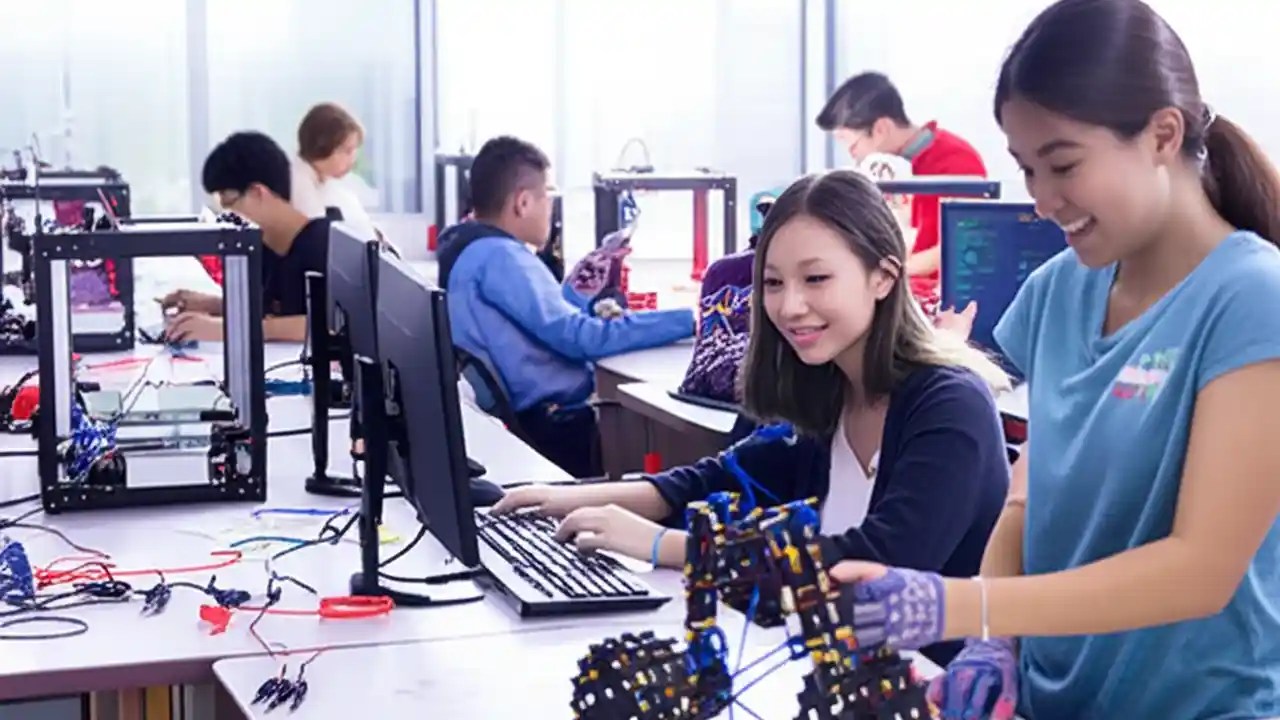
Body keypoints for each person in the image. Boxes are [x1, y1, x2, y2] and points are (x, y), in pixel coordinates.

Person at [832, 1, 1280, 718]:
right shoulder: (1061, 288)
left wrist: (965, 605)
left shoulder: (1253, 299)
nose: (1041, 201)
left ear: (1163, 134)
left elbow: (1202, 570)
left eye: (1063, 165)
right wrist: (995, 642)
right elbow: (1032, 491)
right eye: (1026, 169)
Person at [492, 169, 1012, 664]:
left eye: (816, 278)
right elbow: (722, 477)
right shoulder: (830, 389)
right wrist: (562, 500)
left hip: (930, 687)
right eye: (774, 283)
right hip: (838, 666)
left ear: (883, 277)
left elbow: (879, 561)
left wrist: (666, 546)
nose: (789, 307)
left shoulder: (949, 403)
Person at [436, 135, 694, 479]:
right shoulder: (501, 257)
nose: (551, 208)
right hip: (556, 428)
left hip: (525, 419)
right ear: (523, 202)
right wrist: (689, 320)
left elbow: (541, 322)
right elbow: (580, 340)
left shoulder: (464, 244)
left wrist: (576, 289)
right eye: (549, 196)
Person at [817, 72, 986, 304]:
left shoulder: (955, 161)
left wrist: (891, 271)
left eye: (852, 144)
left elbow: (962, 246)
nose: (852, 154)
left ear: (881, 129)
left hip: (938, 296)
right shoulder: (893, 170)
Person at [163, 131, 328, 343]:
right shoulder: (266, 248)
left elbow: (329, 326)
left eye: (231, 204)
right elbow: (269, 311)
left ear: (258, 192)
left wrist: (233, 329)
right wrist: (214, 305)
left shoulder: (324, 246)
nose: (228, 217)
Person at [292, 102, 378, 242]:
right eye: (347, 151)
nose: (353, 160)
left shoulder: (334, 184)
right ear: (322, 146)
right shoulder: (297, 185)